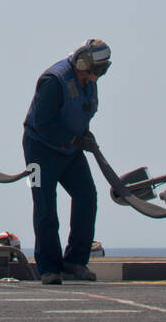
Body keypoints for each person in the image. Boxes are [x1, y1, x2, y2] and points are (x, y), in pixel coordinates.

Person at [22, 39, 110, 285]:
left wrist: (81, 137)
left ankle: (74, 261)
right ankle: (49, 267)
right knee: (45, 206)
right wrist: (73, 139)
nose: (100, 75)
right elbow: (43, 123)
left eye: (104, 69)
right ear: (83, 63)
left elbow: (82, 111)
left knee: (87, 197)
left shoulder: (89, 82)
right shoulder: (53, 81)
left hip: (71, 150)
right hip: (40, 150)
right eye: (98, 69)